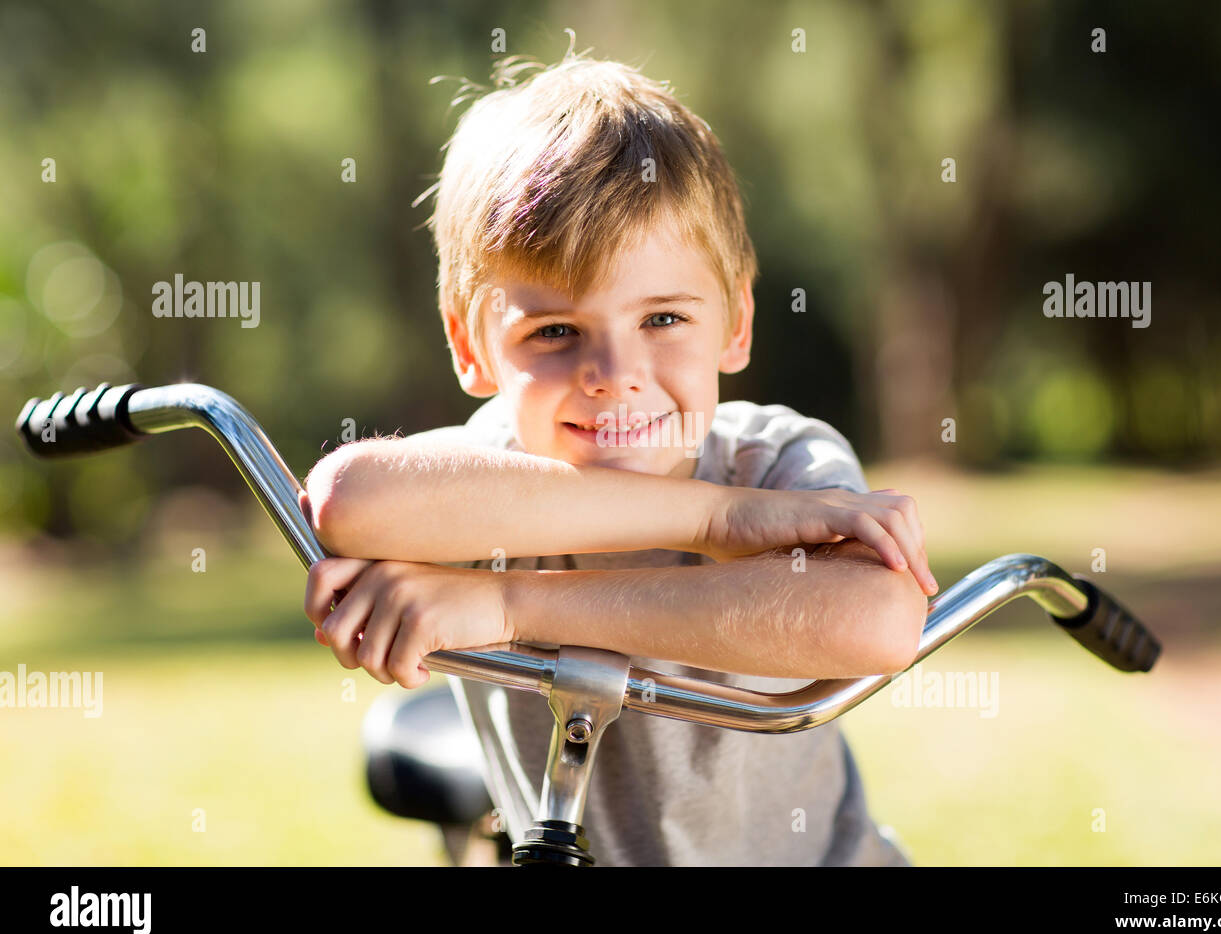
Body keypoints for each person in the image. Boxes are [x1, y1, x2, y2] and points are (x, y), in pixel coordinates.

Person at [301, 44, 937, 866]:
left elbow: (880, 620)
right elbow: (348, 499)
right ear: (472, 347)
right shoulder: (487, 479)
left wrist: (507, 607)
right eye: (555, 332)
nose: (614, 378)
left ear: (735, 324)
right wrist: (720, 520)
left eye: (664, 319)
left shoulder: (774, 461)